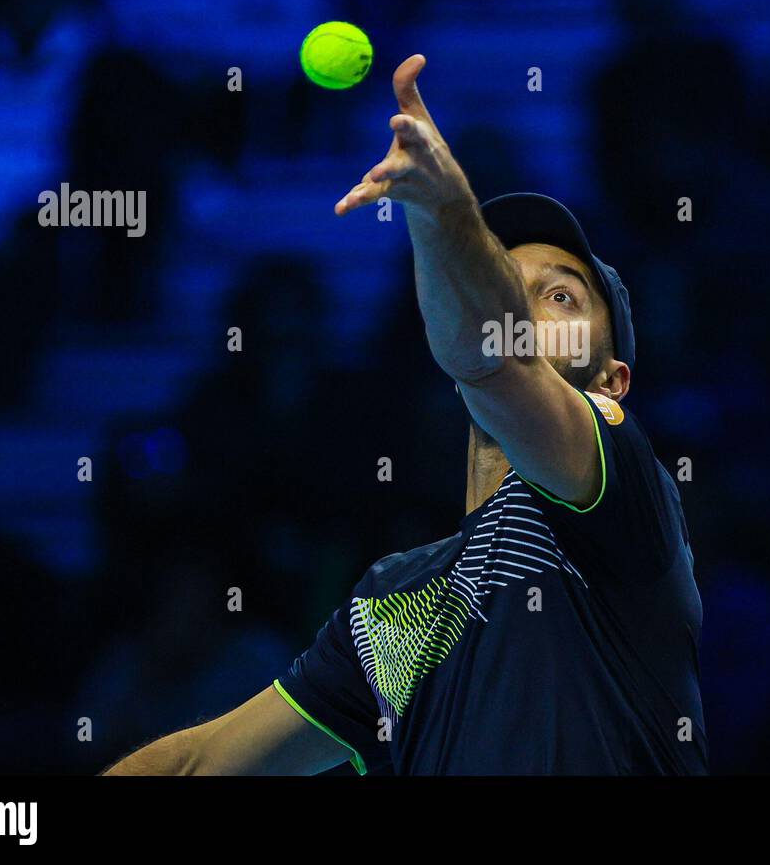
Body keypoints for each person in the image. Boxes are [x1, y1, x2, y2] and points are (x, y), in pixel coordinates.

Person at [103, 55, 706, 775]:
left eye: (562, 297)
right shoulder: (398, 605)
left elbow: (494, 358)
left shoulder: (624, 505)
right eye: (507, 285)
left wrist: (443, 210)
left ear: (612, 381)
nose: (518, 306)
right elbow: (196, 763)